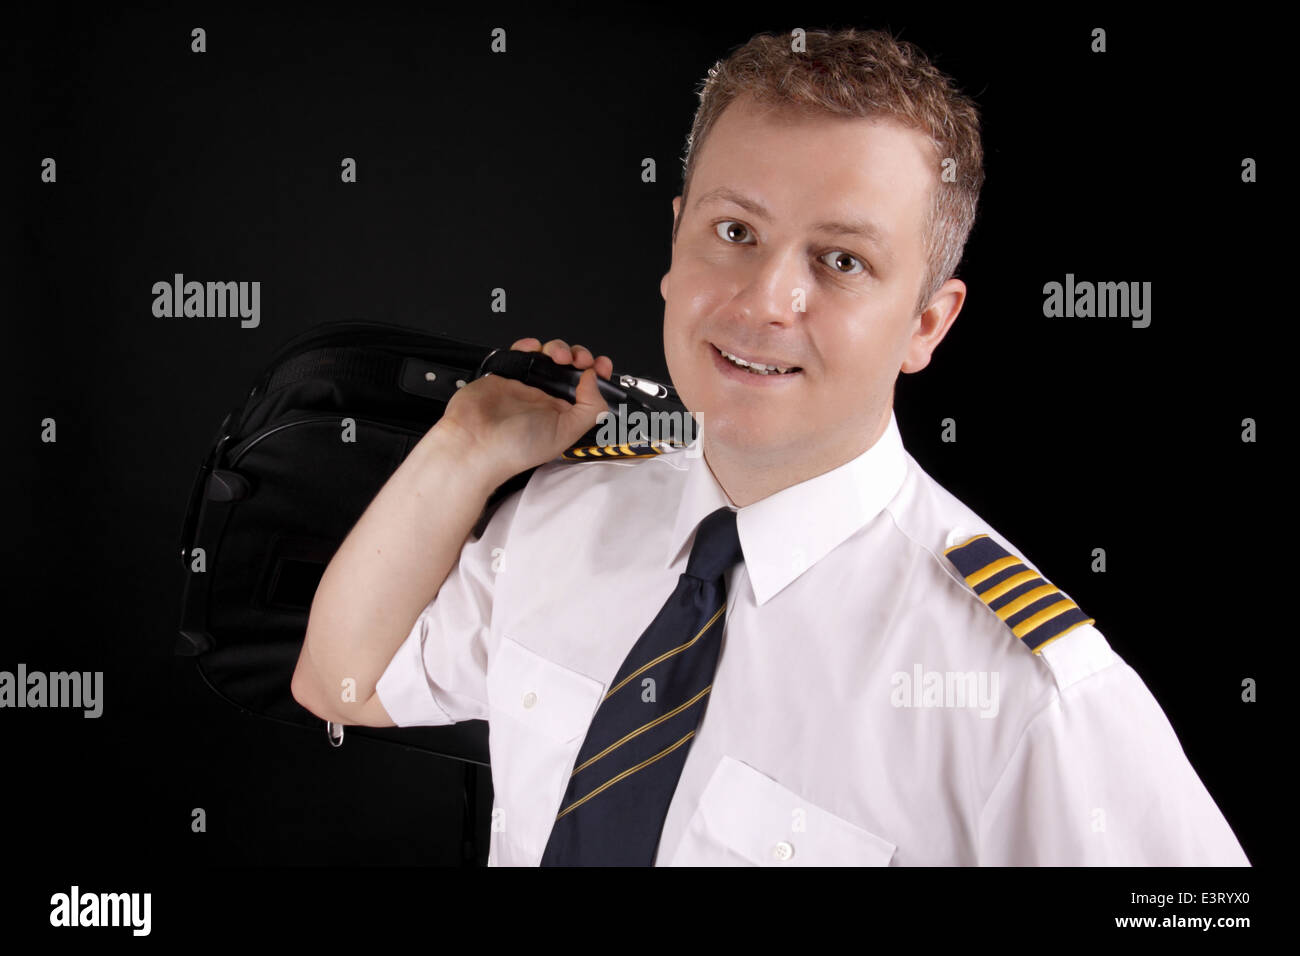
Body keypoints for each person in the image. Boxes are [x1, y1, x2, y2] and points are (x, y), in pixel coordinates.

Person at [290, 27, 1250, 866]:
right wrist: (467, 445)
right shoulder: (565, 508)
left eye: (842, 260)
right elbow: (343, 682)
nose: (762, 303)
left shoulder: (1023, 691)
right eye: (736, 230)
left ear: (927, 324)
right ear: (676, 243)